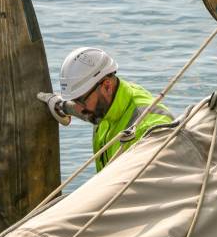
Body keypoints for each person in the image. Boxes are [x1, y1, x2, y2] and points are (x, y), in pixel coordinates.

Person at [36, 47, 173, 172]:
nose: (78, 108)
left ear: (107, 86)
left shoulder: (150, 130)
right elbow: (80, 109)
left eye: (81, 100)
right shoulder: (108, 103)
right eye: (74, 101)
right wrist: (60, 106)